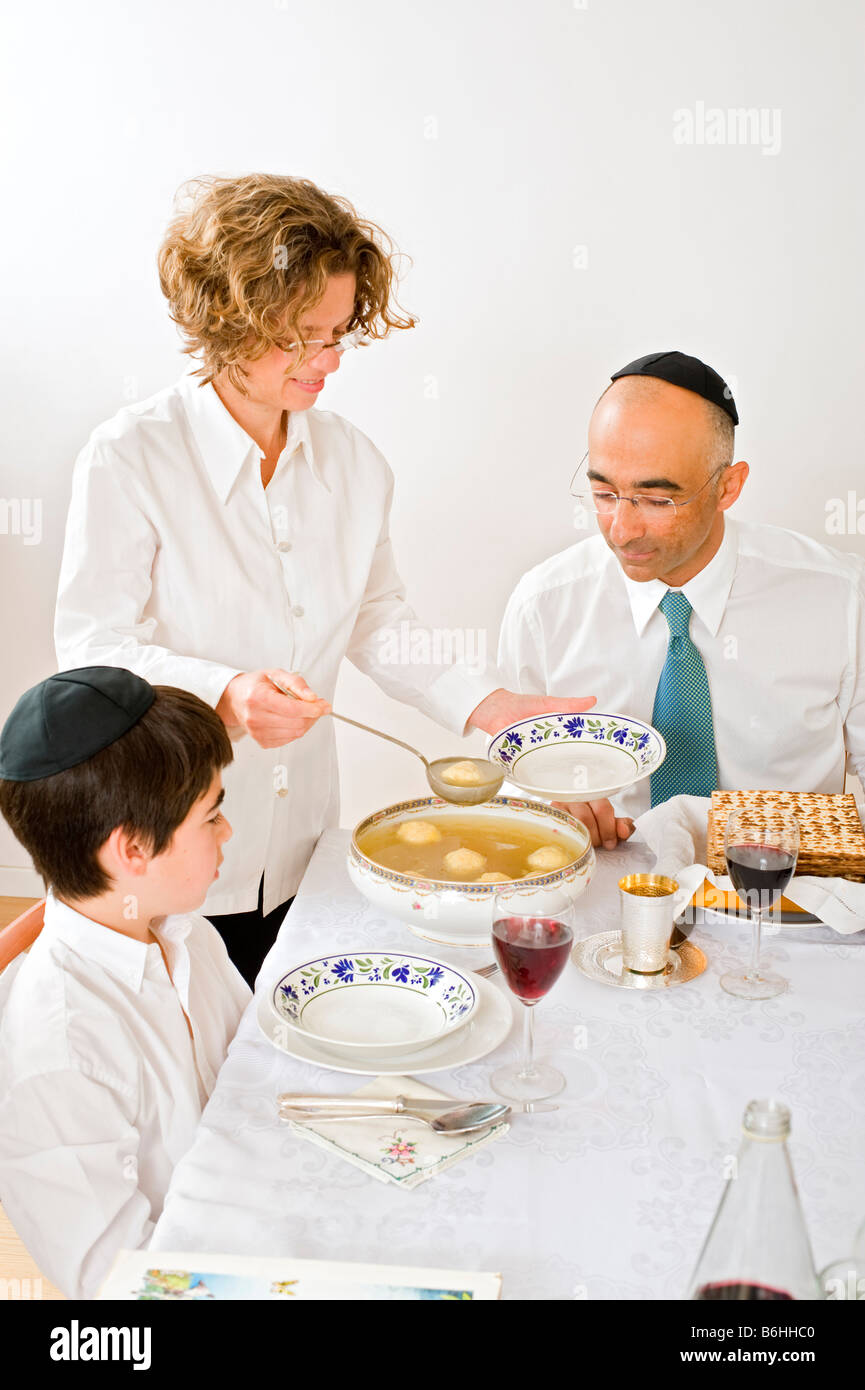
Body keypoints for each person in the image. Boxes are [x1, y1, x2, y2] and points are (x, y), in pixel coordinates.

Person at [54, 174, 594, 984]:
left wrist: (488, 705)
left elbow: (377, 617)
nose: (329, 362)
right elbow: (92, 651)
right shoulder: (132, 457)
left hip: (305, 843)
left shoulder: (352, 461)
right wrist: (228, 693)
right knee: (189, 1080)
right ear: (225, 319)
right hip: (171, 852)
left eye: (338, 333)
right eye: (301, 337)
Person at [498, 350, 865, 846]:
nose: (622, 531)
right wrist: (551, 811)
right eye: (604, 494)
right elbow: (515, 795)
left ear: (728, 487)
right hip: (605, 894)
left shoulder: (839, 598)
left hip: (785, 901)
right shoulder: (544, 607)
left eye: (657, 500)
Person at [0, 667, 250, 1299]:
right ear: (132, 850)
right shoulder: (58, 1053)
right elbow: (123, 1289)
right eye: (211, 817)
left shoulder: (183, 931)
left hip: (260, 1200)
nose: (228, 833)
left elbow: (255, 1071)